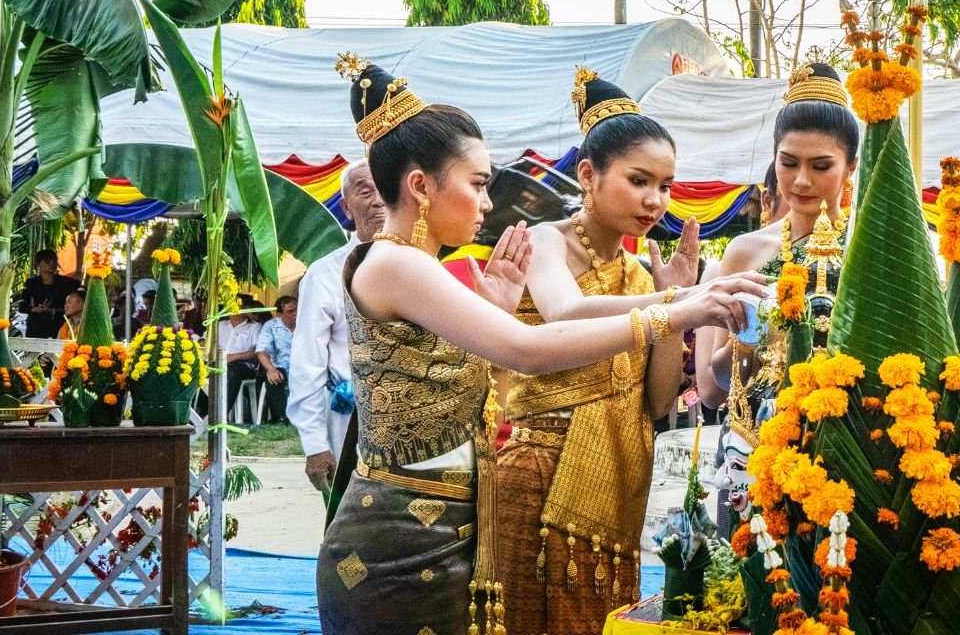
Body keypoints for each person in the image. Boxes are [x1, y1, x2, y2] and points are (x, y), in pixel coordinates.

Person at [316, 55, 756, 635]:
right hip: (399, 538)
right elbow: (529, 350)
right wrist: (674, 309)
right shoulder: (396, 263)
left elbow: (486, 390)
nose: (487, 203)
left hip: (448, 527)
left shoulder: (414, 268)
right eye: (478, 184)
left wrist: (500, 312)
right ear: (420, 186)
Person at [493, 70, 766, 631]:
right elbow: (563, 313)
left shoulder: (643, 281)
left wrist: (671, 310)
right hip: (541, 473)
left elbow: (660, 401)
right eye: (639, 180)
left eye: (665, 185)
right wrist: (679, 301)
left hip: (618, 482)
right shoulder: (546, 240)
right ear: (588, 174)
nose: (654, 200)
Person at [695, 63, 858, 534]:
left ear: (850, 168)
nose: (801, 181)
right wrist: (750, 337)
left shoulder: (871, 248)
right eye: (788, 163)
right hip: (756, 446)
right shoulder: (745, 252)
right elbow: (713, 387)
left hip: (849, 441)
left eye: (821, 166)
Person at [291, 160, 387, 521]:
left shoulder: (424, 265)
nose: (377, 200)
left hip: (407, 420)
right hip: (347, 422)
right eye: (365, 191)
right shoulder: (325, 275)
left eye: (384, 188)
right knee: (349, 525)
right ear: (346, 207)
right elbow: (307, 364)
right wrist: (315, 445)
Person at [219, 296, 264, 419]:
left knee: (232, 372)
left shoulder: (255, 327)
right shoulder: (220, 325)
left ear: (246, 308)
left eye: (236, 305)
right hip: (219, 364)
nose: (231, 308)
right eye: (228, 305)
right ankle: (203, 413)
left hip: (244, 366)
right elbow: (206, 341)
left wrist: (234, 357)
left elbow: (257, 352)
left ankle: (221, 416)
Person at [19, 249, 79, 340]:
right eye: (48, 262)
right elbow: (22, 307)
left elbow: (74, 305)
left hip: (59, 325)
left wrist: (52, 310)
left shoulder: (66, 283)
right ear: (39, 264)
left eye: (54, 261)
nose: (52, 264)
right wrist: (36, 309)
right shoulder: (31, 283)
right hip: (36, 326)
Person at [257, 295, 297, 425]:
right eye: (290, 311)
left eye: (297, 310)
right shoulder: (271, 326)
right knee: (274, 378)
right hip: (281, 366)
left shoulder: (308, 324)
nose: (295, 314)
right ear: (279, 314)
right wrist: (271, 369)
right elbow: (262, 351)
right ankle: (281, 418)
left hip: (304, 366)